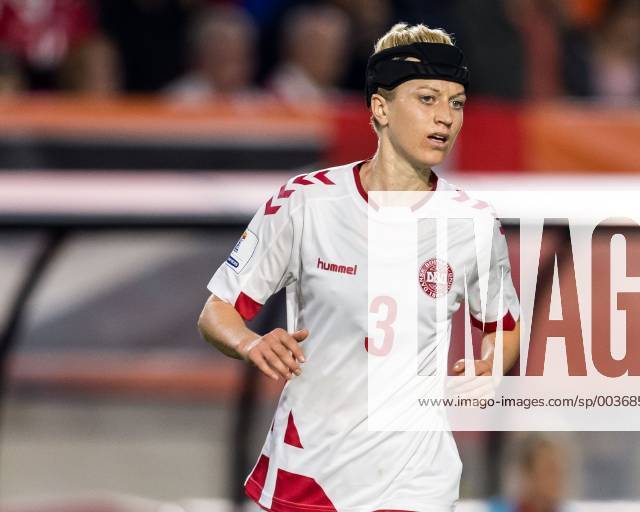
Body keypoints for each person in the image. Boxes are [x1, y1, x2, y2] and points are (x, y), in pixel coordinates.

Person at [198, 22, 521, 511]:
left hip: (417, 479)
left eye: (456, 104)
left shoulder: (471, 223)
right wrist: (252, 343)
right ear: (380, 108)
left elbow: (504, 326)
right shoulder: (304, 203)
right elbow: (217, 311)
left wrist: (490, 365)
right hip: (310, 474)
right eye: (427, 99)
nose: (446, 119)